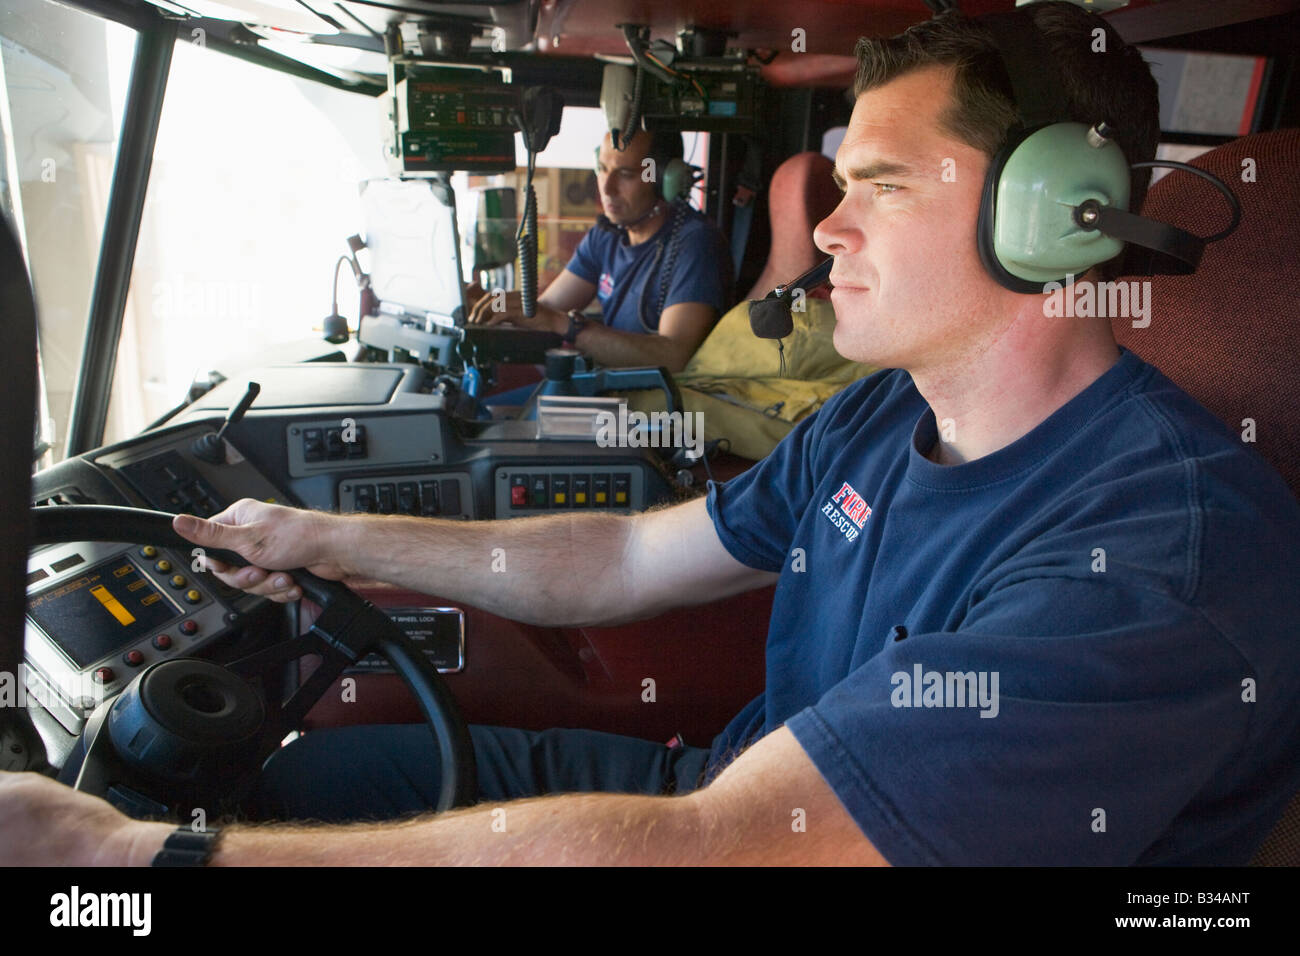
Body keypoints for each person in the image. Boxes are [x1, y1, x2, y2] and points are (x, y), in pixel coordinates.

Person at [4, 2, 1300, 866]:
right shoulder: (884, 413)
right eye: (833, 187)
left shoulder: (1150, 567)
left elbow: (721, 851)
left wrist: (122, 860)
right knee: (285, 783)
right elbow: (623, 562)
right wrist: (327, 537)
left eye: (882, 189)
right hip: (716, 786)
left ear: (1060, 221)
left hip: (738, 836)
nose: (829, 232)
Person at [466, 127, 734, 374]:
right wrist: (489, 305)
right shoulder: (606, 237)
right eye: (602, 169)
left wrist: (566, 325)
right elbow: (546, 310)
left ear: (662, 178)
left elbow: (675, 356)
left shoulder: (695, 244)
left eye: (626, 174)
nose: (606, 188)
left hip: (661, 412)